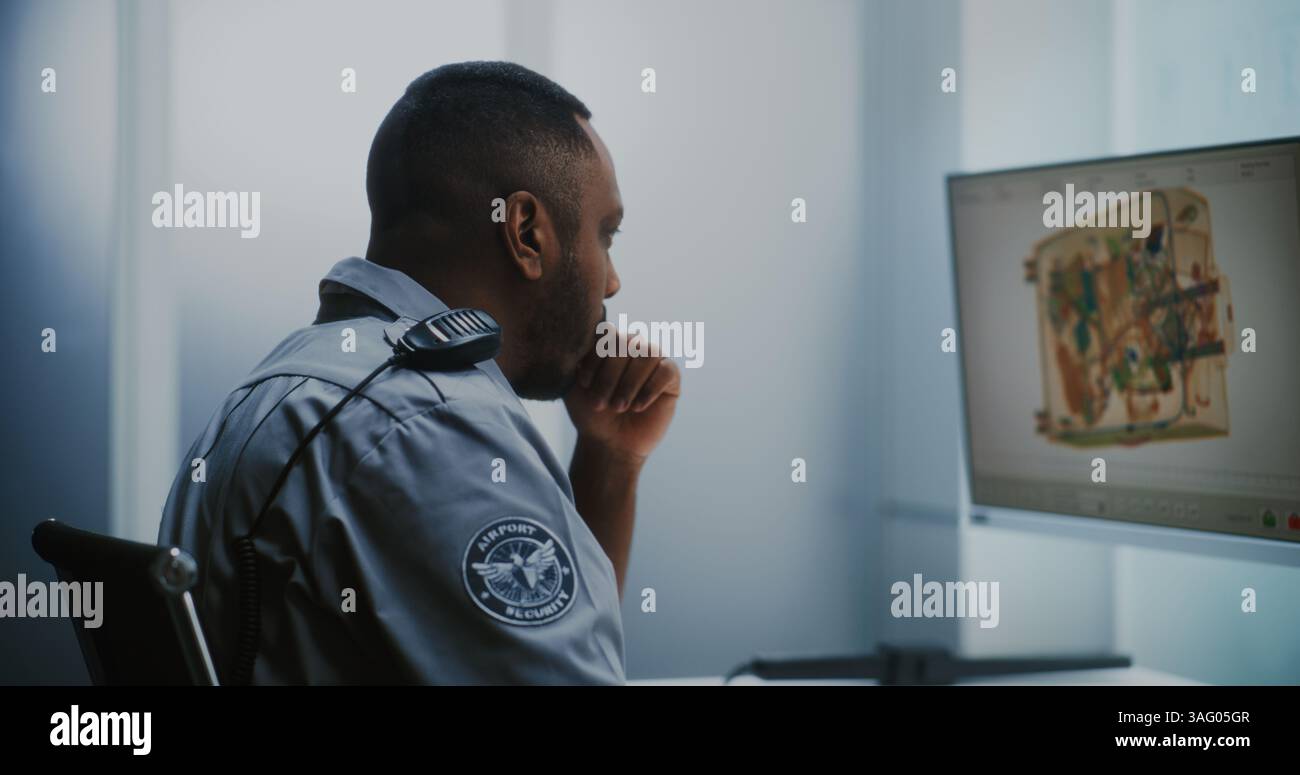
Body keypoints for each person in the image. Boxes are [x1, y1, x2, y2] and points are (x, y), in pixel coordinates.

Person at [157, 61, 680, 685]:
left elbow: (541, 647)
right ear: (526, 234)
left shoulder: (284, 385)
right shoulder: (430, 426)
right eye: (606, 235)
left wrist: (609, 459)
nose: (613, 282)